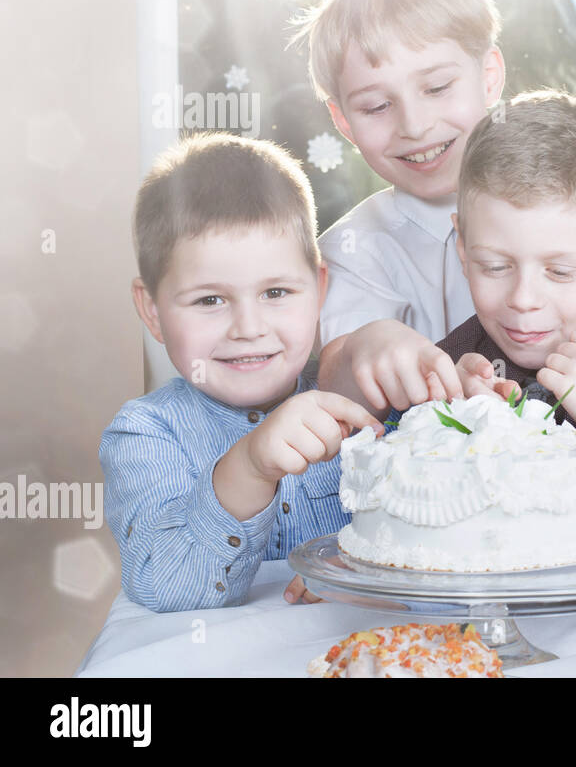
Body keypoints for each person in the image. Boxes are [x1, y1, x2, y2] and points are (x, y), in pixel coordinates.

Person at [325, 92, 576, 542]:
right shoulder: (458, 361)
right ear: (464, 251)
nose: (523, 299)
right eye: (495, 266)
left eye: (560, 271)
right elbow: (396, 504)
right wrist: (450, 425)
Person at [100, 134, 381, 612]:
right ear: (151, 310)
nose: (249, 329)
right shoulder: (144, 436)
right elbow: (167, 589)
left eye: (275, 292)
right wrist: (249, 467)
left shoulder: (359, 402)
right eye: (210, 300)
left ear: (318, 288)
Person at [291, 0, 506, 392]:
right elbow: (339, 379)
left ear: (488, 78)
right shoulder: (352, 253)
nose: (414, 125)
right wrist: (366, 347)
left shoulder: (562, 207)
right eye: (376, 106)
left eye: (437, 87)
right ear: (344, 121)